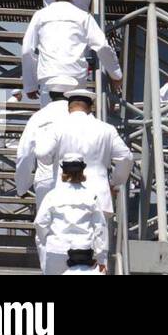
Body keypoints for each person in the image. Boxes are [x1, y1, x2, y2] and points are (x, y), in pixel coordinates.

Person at [34, 88, 133, 270]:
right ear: (91, 107)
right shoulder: (107, 129)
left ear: (69, 107)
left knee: (60, 253)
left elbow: (42, 154)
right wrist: (115, 182)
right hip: (98, 195)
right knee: (97, 257)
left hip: (63, 196)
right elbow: (126, 158)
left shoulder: (57, 126)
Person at [22, 0, 122, 102]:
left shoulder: (40, 15)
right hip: (75, 75)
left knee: (50, 116)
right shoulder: (83, 16)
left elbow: (27, 50)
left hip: (48, 75)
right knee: (75, 113)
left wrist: (30, 85)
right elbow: (101, 46)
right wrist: (116, 75)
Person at [34, 152, 108, 276]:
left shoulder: (52, 195)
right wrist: (101, 257)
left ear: (63, 171)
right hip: (84, 252)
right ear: (82, 171)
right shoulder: (91, 196)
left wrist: (48, 241)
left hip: (56, 249)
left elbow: (40, 223)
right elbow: (100, 228)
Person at [15, 89, 71, 210]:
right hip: (77, 179)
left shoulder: (38, 116)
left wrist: (21, 187)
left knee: (45, 225)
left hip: (47, 181)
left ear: (50, 94)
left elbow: (24, 154)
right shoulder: (83, 117)